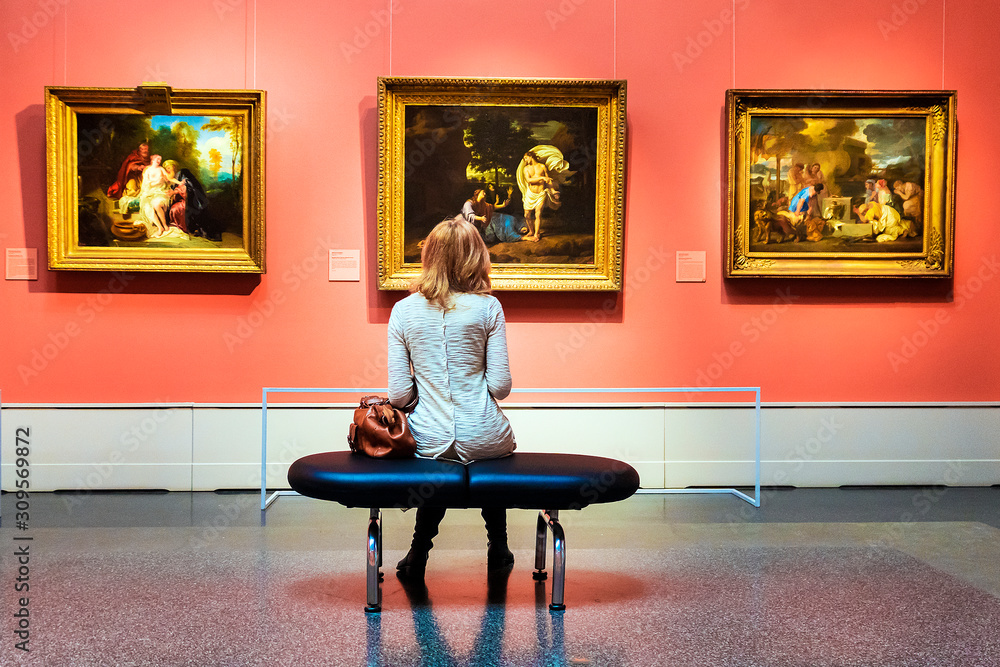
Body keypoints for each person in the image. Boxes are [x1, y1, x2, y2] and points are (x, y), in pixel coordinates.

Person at [388, 218, 517, 579]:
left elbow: (398, 395)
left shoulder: (403, 311)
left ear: (429, 255)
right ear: (477, 256)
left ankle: (417, 555)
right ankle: (499, 548)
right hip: (485, 433)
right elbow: (502, 386)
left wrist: (426, 391)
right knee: (486, 456)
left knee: (439, 469)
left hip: (428, 436)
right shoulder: (488, 308)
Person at [516, 146, 571, 242]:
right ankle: (531, 231)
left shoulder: (542, 167)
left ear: (530, 156)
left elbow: (548, 181)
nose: (525, 160)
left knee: (538, 214)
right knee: (527, 215)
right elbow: (529, 180)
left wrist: (553, 191)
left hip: (541, 194)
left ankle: (537, 234)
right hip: (530, 194)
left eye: (526, 158)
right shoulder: (526, 169)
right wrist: (541, 178)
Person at [462, 187, 528, 244]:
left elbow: (492, 207)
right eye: (483, 192)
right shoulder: (469, 203)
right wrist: (481, 218)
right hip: (474, 225)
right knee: (492, 233)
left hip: (485, 219)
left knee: (506, 218)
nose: (485, 194)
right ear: (477, 194)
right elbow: (470, 216)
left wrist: (503, 205)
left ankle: (520, 228)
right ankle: (513, 235)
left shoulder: (483, 203)